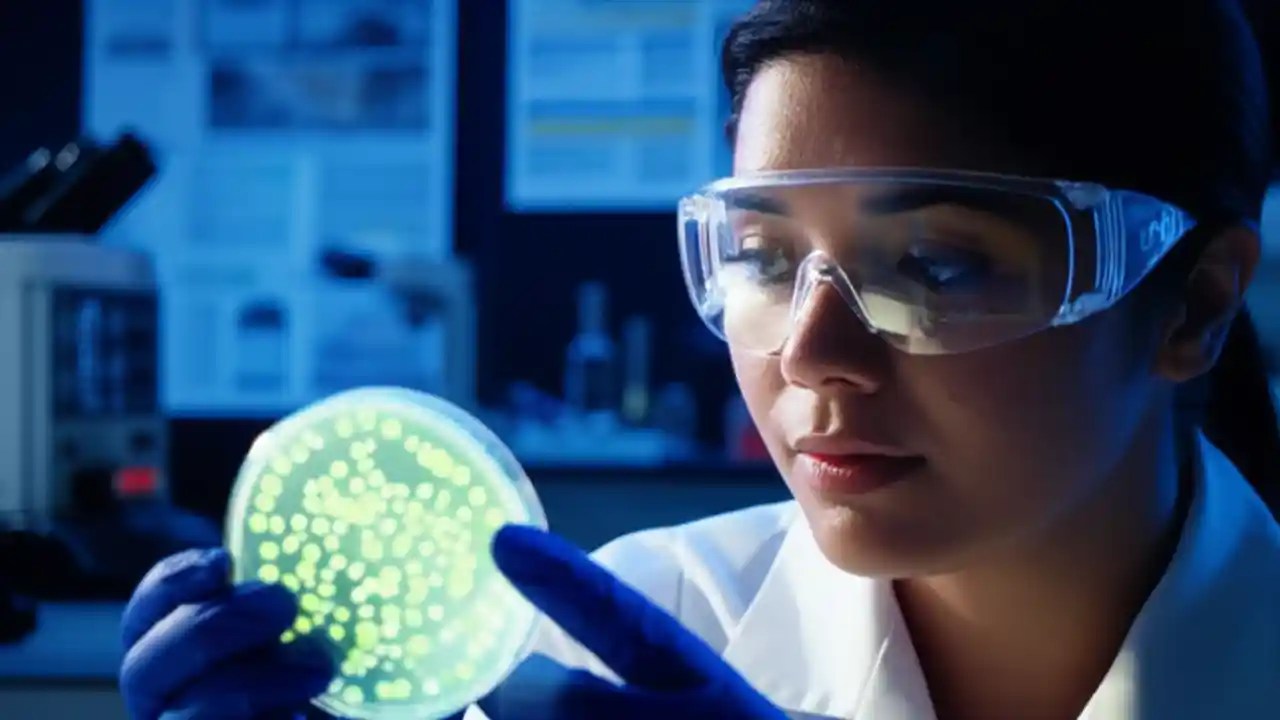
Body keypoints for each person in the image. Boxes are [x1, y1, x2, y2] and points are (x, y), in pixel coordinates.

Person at [119, 0, 1280, 717]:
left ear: (1192, 308)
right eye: (766, 261)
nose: (812, 356)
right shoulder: (632, 632)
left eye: (934, 266)